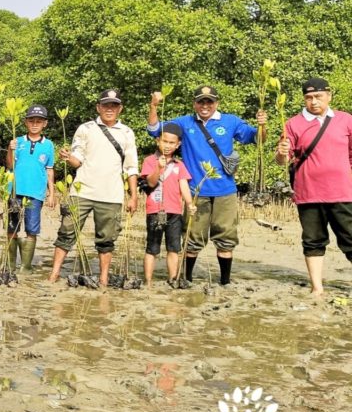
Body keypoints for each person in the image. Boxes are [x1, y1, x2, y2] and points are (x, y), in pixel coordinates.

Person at [148, 85, 266, 285]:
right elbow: (154, 131)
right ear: (194, 103)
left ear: (216, 103)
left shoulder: (231, 121)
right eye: (201, 101)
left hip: (225, 191)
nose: (205, 105)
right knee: (192, 238)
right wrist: (153, 106)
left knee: (226, 238)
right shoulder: (184, 123)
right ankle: (186, 279)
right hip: (195, 191)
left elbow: (257, 139)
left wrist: (263, 125)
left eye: (209, 101)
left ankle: (225, 282)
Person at [48, 89, 139, 286]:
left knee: (106, 240)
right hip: (82, 191)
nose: (109, 109)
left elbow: (131, 167)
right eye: (105, 105)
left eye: (113, 105)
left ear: (120, 109)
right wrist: (67, 157)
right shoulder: (86, 128)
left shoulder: (127, 133)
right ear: (98, 107)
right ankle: (54, 274)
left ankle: (104, 279)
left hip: (111, 195)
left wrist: (133, 196)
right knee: (66, 232)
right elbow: (77, 160)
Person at [276, 78, 352, 297]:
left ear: (329, 96)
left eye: (318, 96)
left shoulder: (346, 120)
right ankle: (317, 287)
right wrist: (281, 152)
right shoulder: (292, 123)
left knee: (350, 238)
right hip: (308, 193)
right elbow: (282, 160)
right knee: (313, 240)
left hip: (342, 192)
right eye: (309, 97)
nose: (314, 101)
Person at [140, 123, 193, 287]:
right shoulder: (149, 161)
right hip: (155, 211)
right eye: (165, 141)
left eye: (172, 143)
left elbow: (183, 185)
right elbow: (150, 182)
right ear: (158, 141)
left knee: (174, 248)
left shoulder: (179, 164)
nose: (168, 145)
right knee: (152, 248)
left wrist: (190, 203)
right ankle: (148, 281)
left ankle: (173, 279)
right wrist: (159, 167)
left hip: (175, 212)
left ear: (178, 145)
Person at [6, 104, 56, 272]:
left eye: (39, 121)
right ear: (26, 122)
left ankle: (25, 266)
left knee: (32, 229)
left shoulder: (48, 145)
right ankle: (11, 264)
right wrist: (10, 149)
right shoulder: (17, 141)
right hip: (15, 191)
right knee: (12, 227)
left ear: (45, 124)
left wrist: (51, 194)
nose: (35, 124)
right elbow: (9, 164)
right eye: (31, 120)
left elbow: (49, 170)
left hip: (36, 193)